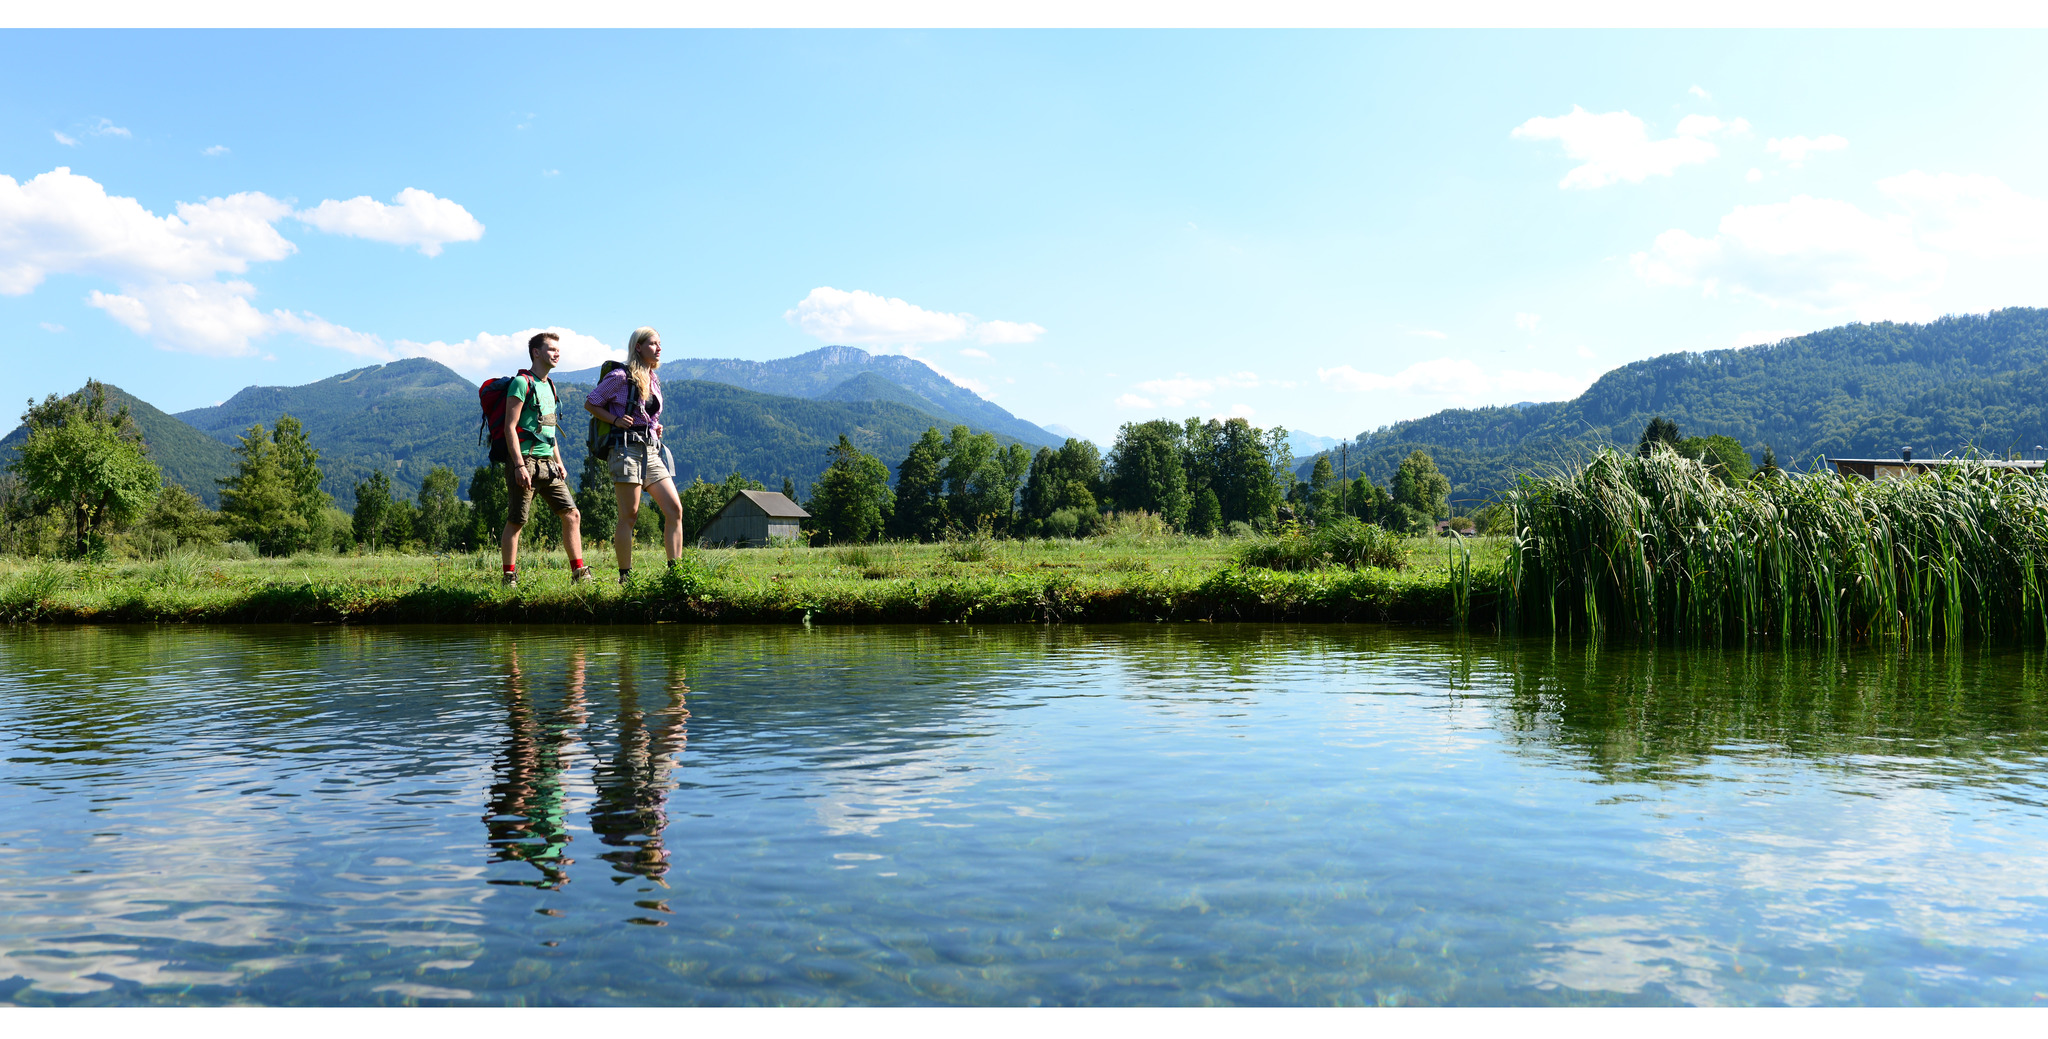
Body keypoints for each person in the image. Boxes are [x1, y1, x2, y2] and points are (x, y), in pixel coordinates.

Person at [584, 326, 684, 583]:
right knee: (630, 514)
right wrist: (615, 420)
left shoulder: (653, 378)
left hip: (651, 450)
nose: (659, 348)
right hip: (624, 450)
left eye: (660, 343)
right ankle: (625, 577)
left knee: (674, 509)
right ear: (638, 347)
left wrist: (654, 426)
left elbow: (649, 413)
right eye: (653, 343)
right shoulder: (620, 376)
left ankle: (677, 573)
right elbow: (591, 402)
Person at [503, 331, 592, 585]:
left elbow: (549, 430)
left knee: (572, 514)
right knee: (517, 520)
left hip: (549, 464)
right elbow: (511, 427)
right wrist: (519, 465)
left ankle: (579, 573)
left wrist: (560, 462)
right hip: (526, 462)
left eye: (558, 350)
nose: (557, 353)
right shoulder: (522, 383)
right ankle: (509, 577)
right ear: (536, 353)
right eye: (552, 349)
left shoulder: (550, 386)